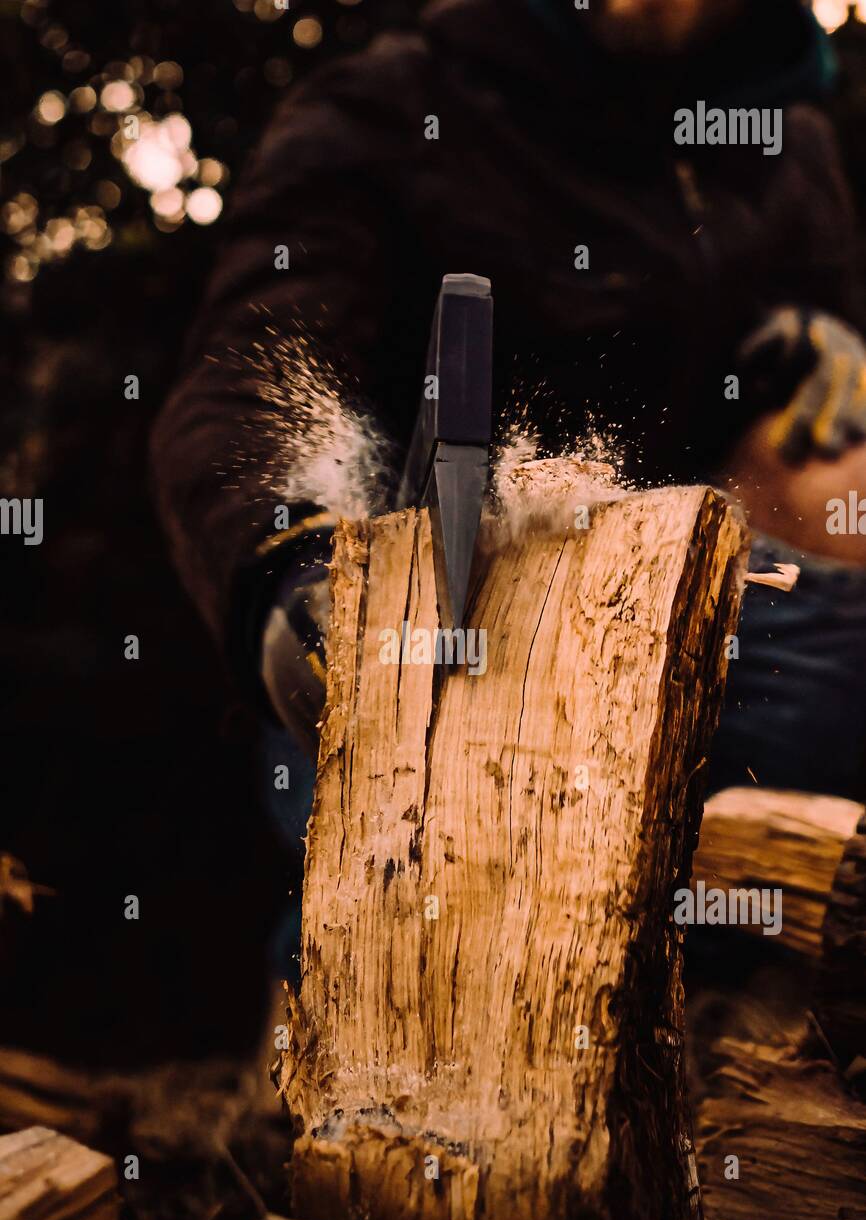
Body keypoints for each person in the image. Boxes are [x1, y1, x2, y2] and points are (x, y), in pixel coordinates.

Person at [151, 0, 866, 821]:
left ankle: (759, 869)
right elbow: (253, 370)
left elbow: (810, 388)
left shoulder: (784, 142)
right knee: (415, 880)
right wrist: (290, 570)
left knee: (843, 478)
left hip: (715, 613)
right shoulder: (392, 105)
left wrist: (827, 347)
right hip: (431, 637)